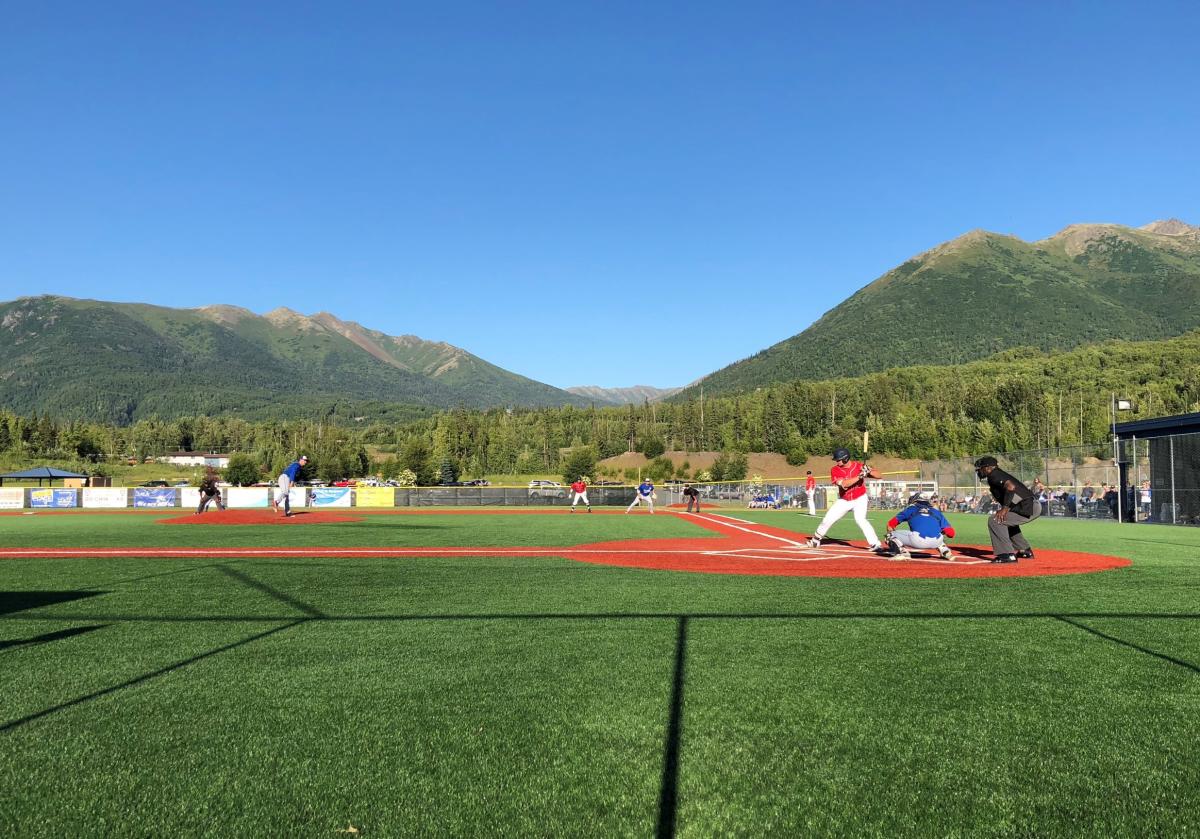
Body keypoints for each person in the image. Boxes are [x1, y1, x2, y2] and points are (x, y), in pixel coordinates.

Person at [806, 448, 888, 555]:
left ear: (845, 458)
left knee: (860, 519)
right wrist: (860, 476)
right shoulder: (835, 470)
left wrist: (869, 471)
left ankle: (875, 544)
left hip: (860, 498)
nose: (837, 462)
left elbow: (879, 475)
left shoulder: (858, 466)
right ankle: (816, 540)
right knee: (828, 519)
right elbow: (844, 484)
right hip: (844, 500)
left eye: (838, 460)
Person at [974, 455, 1040, 563]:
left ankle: (1006, 555)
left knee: (995, 521)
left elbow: (1010, 487)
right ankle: (1024, 551)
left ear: (987, 468)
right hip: (1029, 505)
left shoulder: (993, 475)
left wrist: (1004, 508)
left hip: (1028, 506)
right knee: (1005, 520)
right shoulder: (997, 474)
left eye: (980, 468)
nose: (979, 471)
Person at [885, 492, 956, 560]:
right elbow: (951, 533)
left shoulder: (911, 509)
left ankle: (902, 553)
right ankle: (945, 551)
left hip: (918, 540)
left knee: (889, 536)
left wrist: (892, 535)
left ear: (915, 500)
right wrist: (942, 532)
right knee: (937, 534)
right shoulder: (936, 511)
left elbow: (890, 524)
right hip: (937, 542)